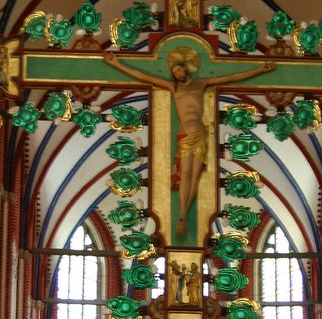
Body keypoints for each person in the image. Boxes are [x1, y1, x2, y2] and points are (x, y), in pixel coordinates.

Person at [103, 48, 274, 235]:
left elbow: (232, 77)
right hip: (185, 134)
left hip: (200, 133)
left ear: (186, 69)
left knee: (194, 175)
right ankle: (182, 216)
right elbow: (144, 77)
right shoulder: (173, 87)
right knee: (185, 173)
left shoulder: (201, 84)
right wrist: (116, 64)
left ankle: (184, 213)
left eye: (179, 70)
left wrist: (260, 70)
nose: (177, 74)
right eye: (174, 72)